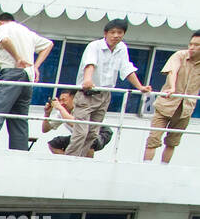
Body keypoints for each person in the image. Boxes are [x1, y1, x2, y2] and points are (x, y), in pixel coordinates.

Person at [67, 20, 151, 158]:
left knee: (93, 133)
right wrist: (87, 80)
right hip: (87, 94)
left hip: (105, 95)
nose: (116, 35)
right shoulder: (94, 46)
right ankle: (68, 160)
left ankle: (79, 159)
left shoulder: (122, 48)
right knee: (81, 132)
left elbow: (126, 69)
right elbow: (90, 64)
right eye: (113, 32)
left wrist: (140, 87)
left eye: (120, 33)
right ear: (105, 33)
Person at [0, 12, 53, 149]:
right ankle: (20, 153)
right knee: (19, 120)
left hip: (11, 73)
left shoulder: (2, 28)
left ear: (0, 22)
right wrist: (36, 66)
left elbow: (5, 41)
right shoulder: (27, 32)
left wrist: (18, 58)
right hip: (27, 78)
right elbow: (48, 45)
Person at [144, 31, 200, 163]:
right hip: (166, 103)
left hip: (185, 109)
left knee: (172, 142)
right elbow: (172, 71)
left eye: (196, 45)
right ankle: (145, 167)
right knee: (153, 139)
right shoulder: (180, 55)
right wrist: (172, 87)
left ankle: (164, 168)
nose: (192, 47)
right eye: (190, 44)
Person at [42, 89, 113, 154]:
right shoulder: (62, 112)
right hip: (79, 135)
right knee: (54, 144)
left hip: (100, 132)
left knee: (88, 139)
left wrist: (60, 109)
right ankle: (69, 160)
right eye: (60, 100)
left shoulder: (81, 109)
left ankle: (86, 163)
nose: (61, 103)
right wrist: (47, 114)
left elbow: (76, 124)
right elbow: (45, 129)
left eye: (64, 100)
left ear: (74, 99)